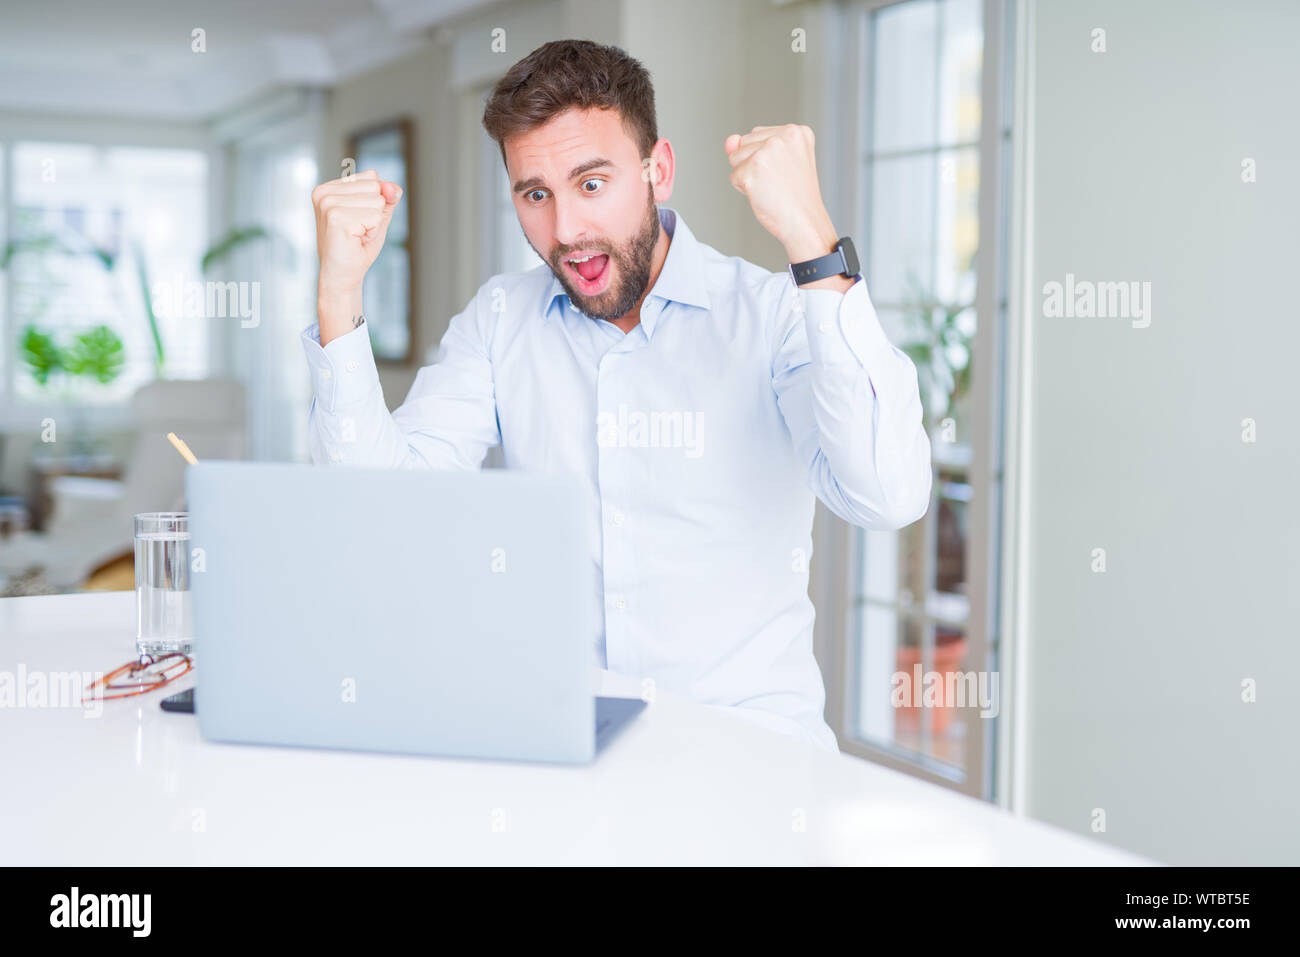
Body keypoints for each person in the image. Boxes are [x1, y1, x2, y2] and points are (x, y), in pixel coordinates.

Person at [301, 39, 931, 753]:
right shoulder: (501, 320)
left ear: (656, 169)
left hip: (750, 769)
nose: (566, 230)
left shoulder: (773, 316)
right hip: (568, 757)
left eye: (591, 183)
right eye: (535, 194)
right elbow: (378, 517)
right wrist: (338, 290)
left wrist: (812, 241)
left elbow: (888, 493)